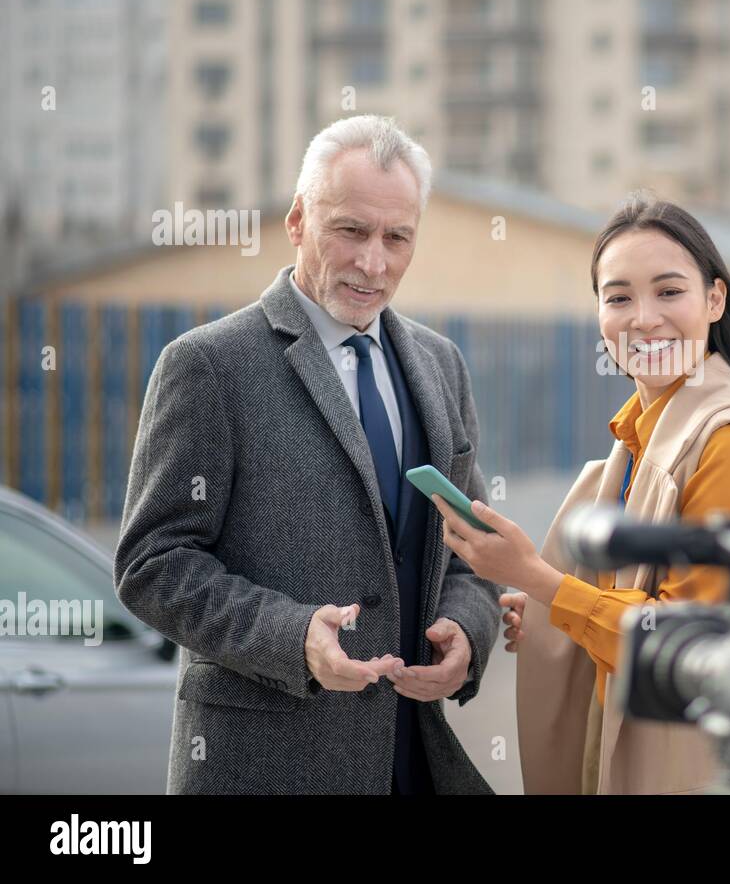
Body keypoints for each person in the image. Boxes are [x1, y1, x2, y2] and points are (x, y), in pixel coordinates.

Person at [114, 115, 501, 794]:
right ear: (297, 221)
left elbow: (475, 548)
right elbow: (152, 564)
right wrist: (292, 637)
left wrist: (468, 634)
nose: (372, 262)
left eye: (396, 237)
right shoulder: (208, 366)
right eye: (350, 230)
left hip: (411, 762)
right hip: (265, 766)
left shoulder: (442, 365)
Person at [434, 194, 730, 793]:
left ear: (714, 300)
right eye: (618, 297)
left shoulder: (723, 442)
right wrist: (552, 614)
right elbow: (632, 601)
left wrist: (541, 581)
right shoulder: (638, 442)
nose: (643, 318)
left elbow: (691, 643)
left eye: (669, 291)